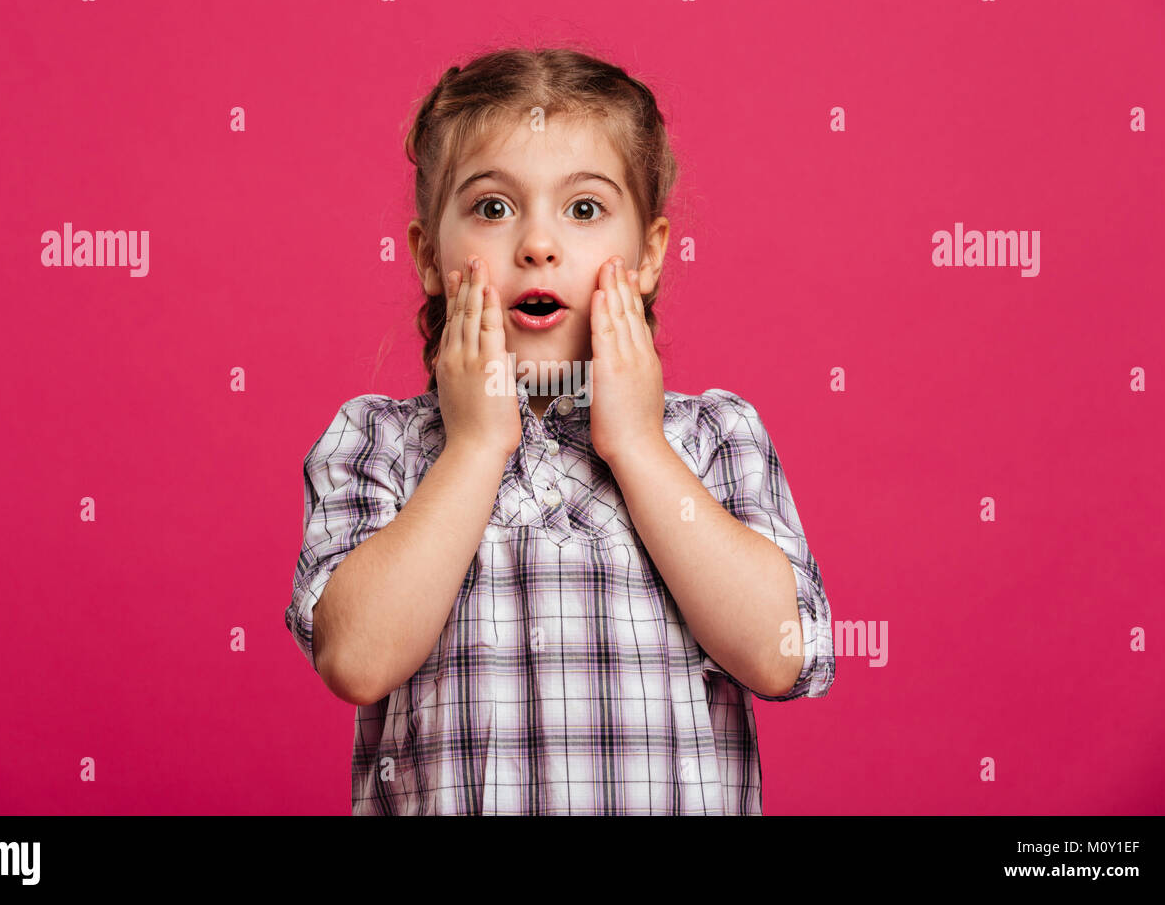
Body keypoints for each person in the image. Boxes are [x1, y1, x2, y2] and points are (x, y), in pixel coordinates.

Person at [285, 47, 834, 814]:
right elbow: (357, 658)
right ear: (430, 257)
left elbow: (784, 658)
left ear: (647, 254)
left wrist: (638, 445)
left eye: (583, 210)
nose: (537, 245)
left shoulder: (714, 435)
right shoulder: (378, 443)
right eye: (493, 208)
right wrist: (476, 444)